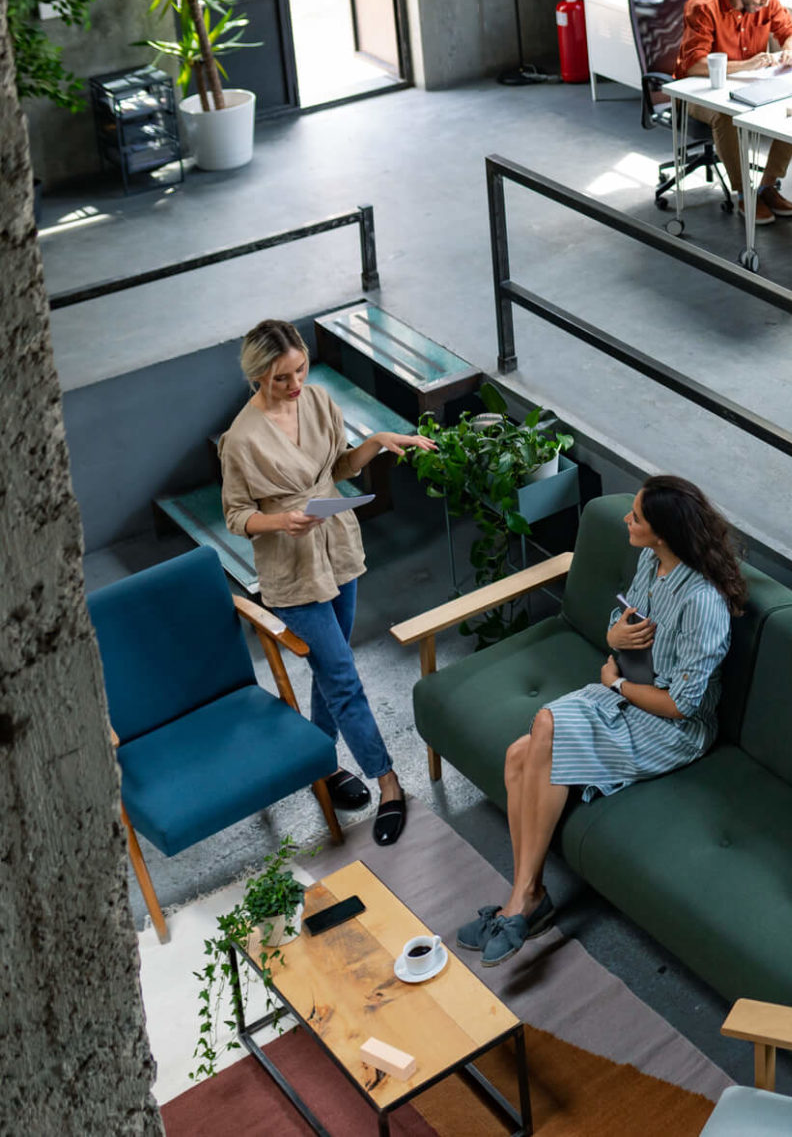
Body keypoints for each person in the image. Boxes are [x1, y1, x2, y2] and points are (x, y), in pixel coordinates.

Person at [459, 476, 748, 968]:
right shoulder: (650, 562)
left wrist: (615, 686)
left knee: (546, 724)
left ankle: (523, 902)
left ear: (664, 531)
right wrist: (615, 635)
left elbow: (683, 706)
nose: (625, 521)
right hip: (629, 696)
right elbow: (623, 634)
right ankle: (525, 896)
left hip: (670, 730)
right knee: (516, 755)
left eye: (635, 517)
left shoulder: (701, 603)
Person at [220, 320, 437, 845]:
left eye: (300, 370)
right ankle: (388, 782)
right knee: (342, 677)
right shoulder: (241, 440)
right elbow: (235, 516)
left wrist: (379, 443)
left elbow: (337, 466)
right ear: (256, 378)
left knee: (328, 670)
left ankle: (322, 764)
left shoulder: (317, 401)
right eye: (281, 378)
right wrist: (280, 522)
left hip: (336, 548)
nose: (296, 385)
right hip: (291, 569)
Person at [676, 0, 792, 228]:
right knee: (726, 117)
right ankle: (744, 193)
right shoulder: (704, 6)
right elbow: (692, 64)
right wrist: (747, 65)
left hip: (748, 86)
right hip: (699, 92)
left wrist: (791, 52)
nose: (766, 0)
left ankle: (767, 186)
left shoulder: (765, 2)